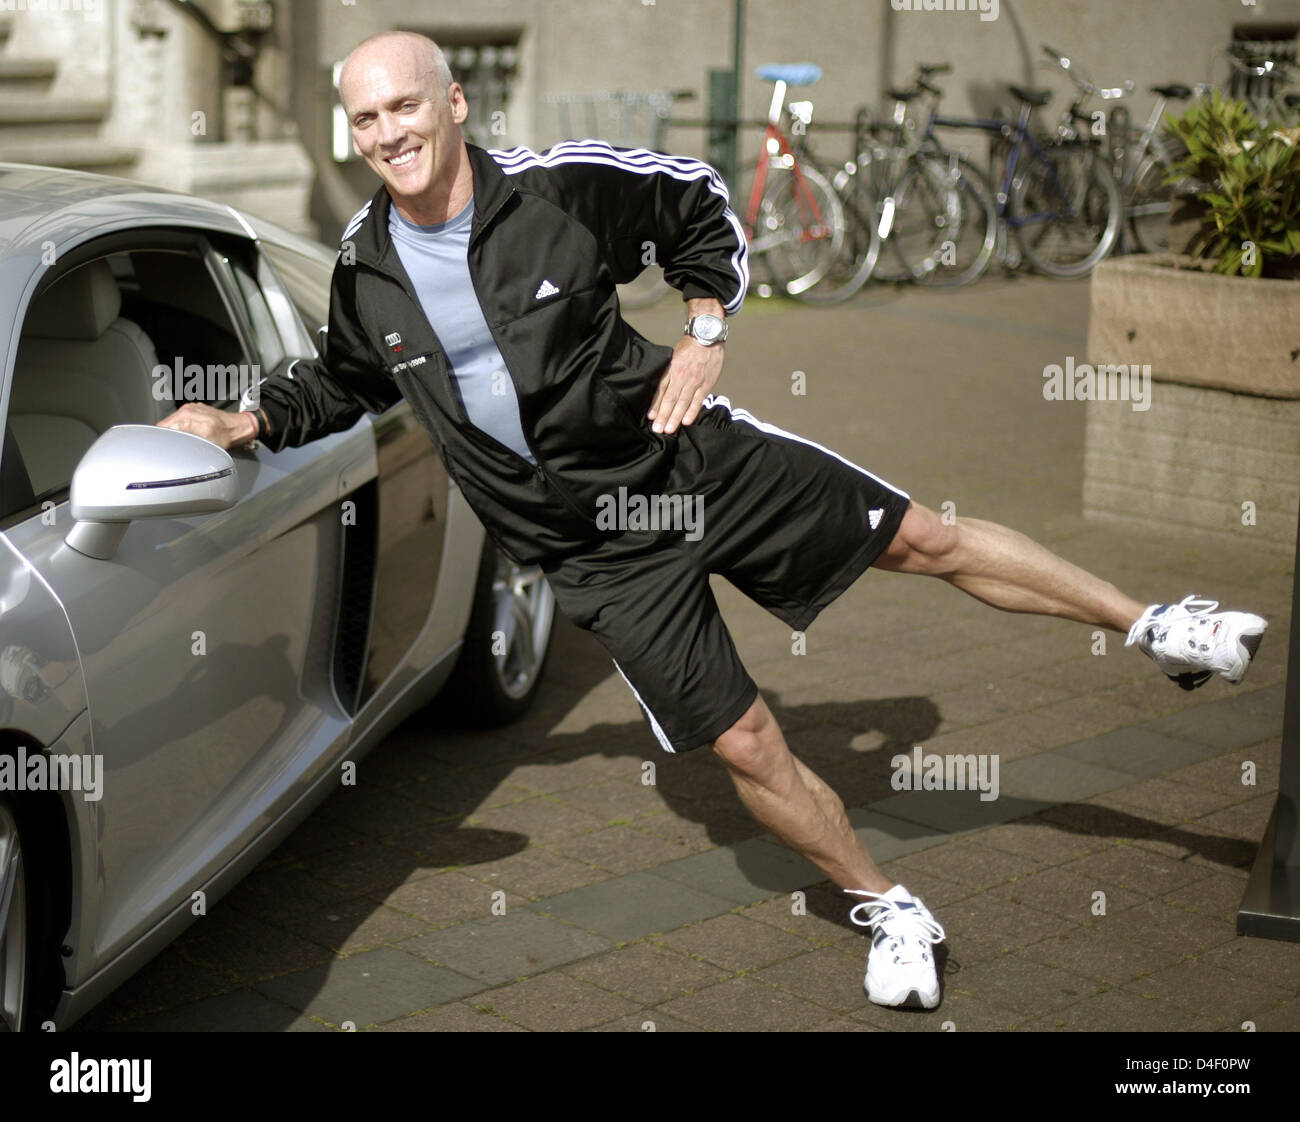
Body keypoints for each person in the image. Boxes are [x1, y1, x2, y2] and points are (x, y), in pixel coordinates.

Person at [158, 31, 1267, 1012]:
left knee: (920, 537)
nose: (389, 131)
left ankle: (1153, 623)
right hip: (593, 552)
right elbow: (345, 382)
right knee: (741, 739)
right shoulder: (365, 271)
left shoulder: (561, 189)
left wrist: (703, 325)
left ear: (454, 104)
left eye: (406, 104)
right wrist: (244, 419)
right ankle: (888, 907)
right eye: (365, 117)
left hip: (691, 454)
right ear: (351, 134)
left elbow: (693, 200)